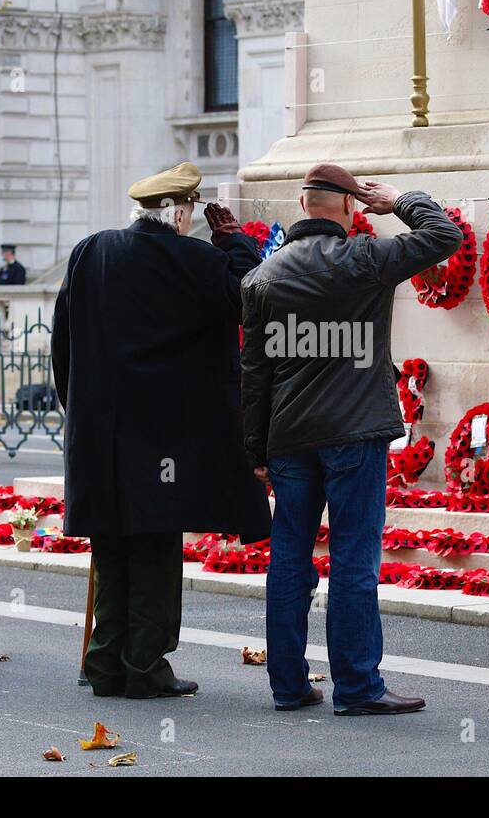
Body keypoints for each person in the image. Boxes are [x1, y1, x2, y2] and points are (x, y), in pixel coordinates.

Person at [240, 163, 462, 716]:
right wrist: (402, 200)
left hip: (289, 437)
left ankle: (288, 685)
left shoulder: (261, 279)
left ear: (302, 203)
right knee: (354, 557)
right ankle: (358, 686)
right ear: (346, 206)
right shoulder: (364, 259)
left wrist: (254, 452)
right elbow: (444, 235)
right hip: (354, 434)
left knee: (289, 556)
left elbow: (254, 373)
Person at [52, 162, 270, 699]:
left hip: (100, 434)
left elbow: (63, 341)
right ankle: (144, 666)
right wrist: (233, 240)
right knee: (152, 553)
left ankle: (106, 664)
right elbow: (247, 294)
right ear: (178, 212)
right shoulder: (194, 257)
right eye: (190, 211)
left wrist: (76, 406)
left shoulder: (90, 252)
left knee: (113, 549)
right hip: (161, 439)